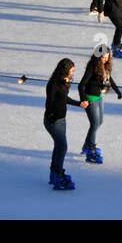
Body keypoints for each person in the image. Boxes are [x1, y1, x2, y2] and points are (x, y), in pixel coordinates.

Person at [43, 58, 88, 190]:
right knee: (62, 147)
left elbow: (63, 99)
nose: (72, 73)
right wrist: (51, 117)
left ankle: (54, 173)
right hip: (54, 121)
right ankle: (58, 175)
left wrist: (79, 103)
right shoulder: (54, 84)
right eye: (71, 70)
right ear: (64, 70)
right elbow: (49, 102)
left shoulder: (63, 82)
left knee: (59, 146)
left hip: (61, 120)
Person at [78, 45, 122, 164]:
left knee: (99, 122)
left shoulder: (105, 66)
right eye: (103, 57)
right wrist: (84, 100)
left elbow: (109, 78)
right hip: (90, 98)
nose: (106, 59)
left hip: (99, 97)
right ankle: (91, 151)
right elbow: (81, 85)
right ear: (98, 56)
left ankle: (87, 146)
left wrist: (117, 90)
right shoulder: (92, 67)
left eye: (107, 57)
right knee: (94, 124)